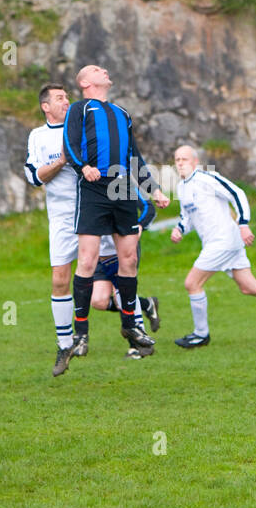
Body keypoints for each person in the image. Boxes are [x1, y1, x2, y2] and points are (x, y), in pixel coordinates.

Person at [61, 64, 169, 365]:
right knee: (87, 259)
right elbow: (69, 143)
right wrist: (84, 166)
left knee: (129, 258)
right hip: (94, 187)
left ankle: (131, 326)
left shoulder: (122, 113)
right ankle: (80, 332)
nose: (105, 70)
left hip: (121, 187)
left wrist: (154, 189)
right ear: (85, 82)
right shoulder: (80, 109)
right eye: (96, 69)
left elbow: (134, 156)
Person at [169, 145, 256, 347]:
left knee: (192, 283)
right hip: (220, 243)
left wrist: (243, 224)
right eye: (177, 160)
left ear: (195, 162)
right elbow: (187, 215)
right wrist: (180, 229)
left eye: (184, 159)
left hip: (223, 240)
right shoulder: (182, 187)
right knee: (248, 287)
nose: (180, 163)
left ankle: (201, 334)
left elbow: (237, 193)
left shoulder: (207, 178)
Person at [23, 84, 83, 376]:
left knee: (104, 276)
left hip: (91, 210)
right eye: (60, 98)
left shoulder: (82, 126)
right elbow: (35, 177)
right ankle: (65, 343)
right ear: (46, 106)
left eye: (67, 97)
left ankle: (136, 317)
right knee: (60, 279)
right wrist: (62, 159)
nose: (66, 101)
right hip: (60, 217)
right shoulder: (38, 136)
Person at [89, 196, 161, 351]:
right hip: (100, 250)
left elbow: (149, 208)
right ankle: (146, 304)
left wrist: (139, 226)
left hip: (124, 247)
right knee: (98, 301)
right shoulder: (85, 185)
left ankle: (138, 345)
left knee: (121, 292)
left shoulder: (120, 182)